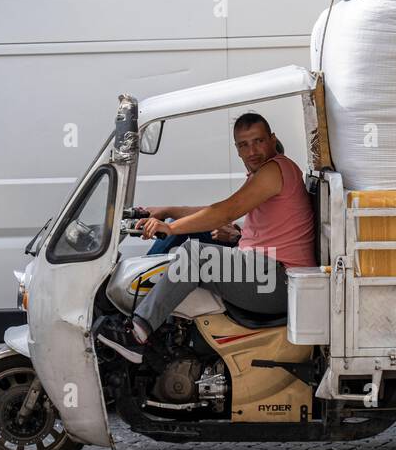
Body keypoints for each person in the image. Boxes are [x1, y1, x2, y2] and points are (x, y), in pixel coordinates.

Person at [120, 113, 316, 345]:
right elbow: (216, 211)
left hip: (280, 281)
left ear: (272, 139)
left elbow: (225, 211)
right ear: (238, 149)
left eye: (258, 141)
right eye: (244, 145)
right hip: (264, 268)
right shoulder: (263, 172)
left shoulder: (274, 170)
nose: (252, 151)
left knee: (195, 255)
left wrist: (170, 227)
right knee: (196, 232)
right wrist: (168, 211)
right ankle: (149, 294)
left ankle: (136, 333)